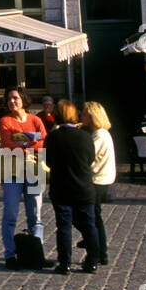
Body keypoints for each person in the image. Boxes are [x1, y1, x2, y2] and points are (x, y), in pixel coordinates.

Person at [45, 102, 99, 275]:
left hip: (61, 187)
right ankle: (92, 262)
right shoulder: (85, 136)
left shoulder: (53, 137)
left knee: (64, 226)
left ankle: (65, 262)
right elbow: (91, 158)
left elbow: (48, 162)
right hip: (83, 186)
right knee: (89, 224)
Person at [0, 88, 46, 270]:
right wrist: (31, 140)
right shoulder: (5, 121)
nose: (12, 101)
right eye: (9, 99)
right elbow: (8, 144)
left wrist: (21, 141)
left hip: (34, 169)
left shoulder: (36, 120)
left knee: (36, 216)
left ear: (23, 100)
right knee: (10, 214)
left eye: (15, 98)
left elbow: (43, 141)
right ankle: (10, 254)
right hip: (12, 170)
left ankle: (37, 254)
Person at [80, 101, 115, 267]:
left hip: (96, 180)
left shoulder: (99, 135)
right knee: (95, 216)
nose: (81, 116)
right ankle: (99, 248)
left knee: (90, 217)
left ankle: (97, 248)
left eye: (84, 114)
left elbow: (87, 156)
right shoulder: (98, 133)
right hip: (99, 179)